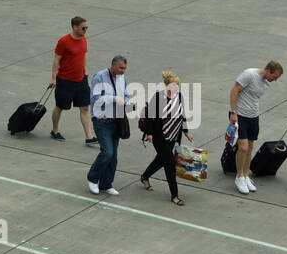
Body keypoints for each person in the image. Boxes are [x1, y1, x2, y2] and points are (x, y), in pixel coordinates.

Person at [139, 71, 194, 206]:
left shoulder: (179, 96)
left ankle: (145, 176)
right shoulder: (158, 97)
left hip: (173, 135)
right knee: (169, 164)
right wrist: (149, 134)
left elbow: (182, 114)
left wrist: (186, 131)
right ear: (166, 84)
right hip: (159, 136)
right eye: (173, 85)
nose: (176, 87)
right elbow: (151, 118)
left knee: (161, 159)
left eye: (177, 85)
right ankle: (174, 195)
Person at [228, 61, 283, 194]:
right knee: (243, 147)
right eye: (274, 77)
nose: (274, 80)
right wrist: (233, 112)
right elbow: (234, 90)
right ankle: (239, 177)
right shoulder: (249, 74)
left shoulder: (266, 83)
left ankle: (246, 175)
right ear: (268, 70)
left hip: (253, 116)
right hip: (240, 114)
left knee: (250, 147)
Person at [87, 56, 129, 196]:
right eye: (121, 68)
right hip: (101, 120)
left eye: (125, 68)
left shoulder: (122, 78)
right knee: (107, 152)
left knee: (114, 155)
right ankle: (93, 178)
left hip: (115, 121)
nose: (123, 71)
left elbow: (126, 95)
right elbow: (94, 98)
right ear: (113, 65)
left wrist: (127, 102)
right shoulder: (99, 77)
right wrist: (113, 99)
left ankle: (106, 184)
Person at [49, 16, 95, 145]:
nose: (85, 30)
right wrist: (53, 78)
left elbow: (83, 57)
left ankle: (89, 136)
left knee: (84, 108)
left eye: (86, 28)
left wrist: (85, 73)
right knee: (60, 107)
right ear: (75, 27)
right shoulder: (63, 42)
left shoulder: (84, 39)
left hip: (81, 80)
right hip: (65, 81)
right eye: (83, 28)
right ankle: (55, 130)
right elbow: (56, 60)